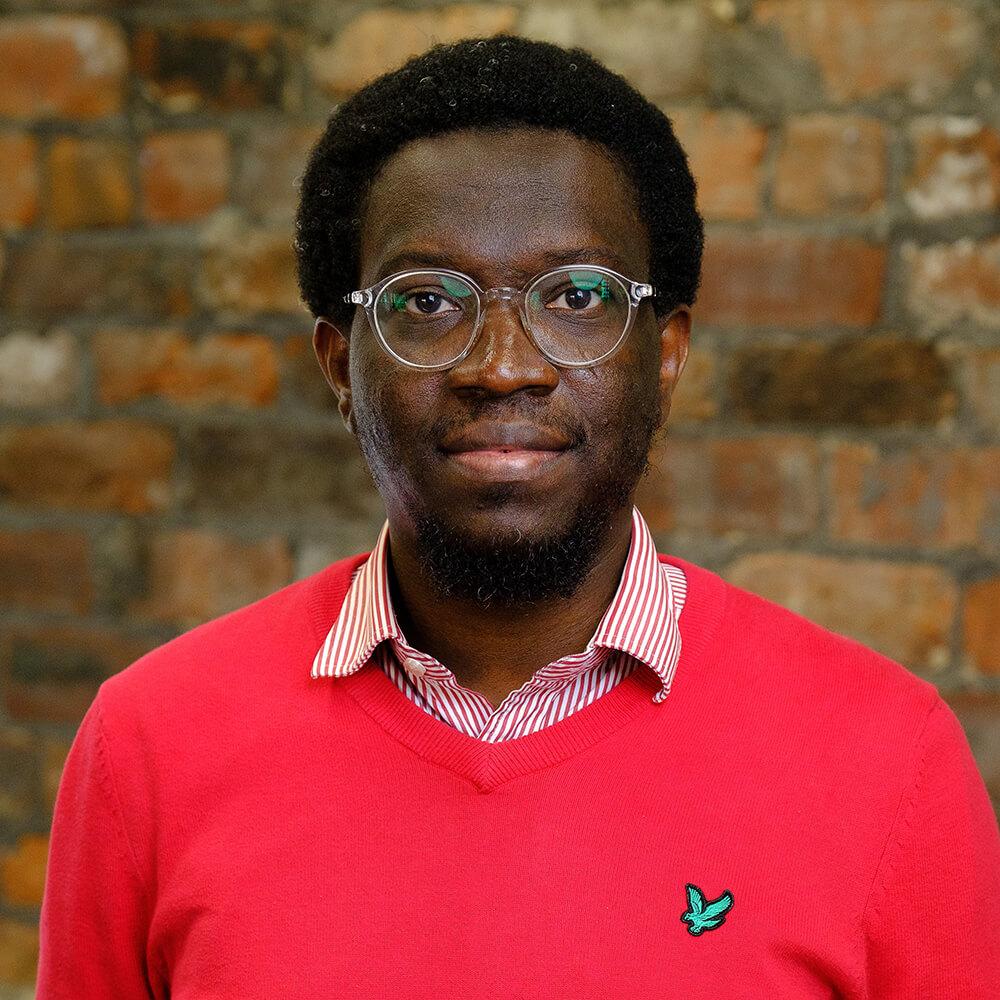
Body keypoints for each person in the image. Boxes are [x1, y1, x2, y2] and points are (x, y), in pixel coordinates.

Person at [37, 34, 999, 999]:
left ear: (665, 356)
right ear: (339, 364)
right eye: (426, 301)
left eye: (577, 295)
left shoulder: (888, 761)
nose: (502, 366)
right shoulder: (149, 748)